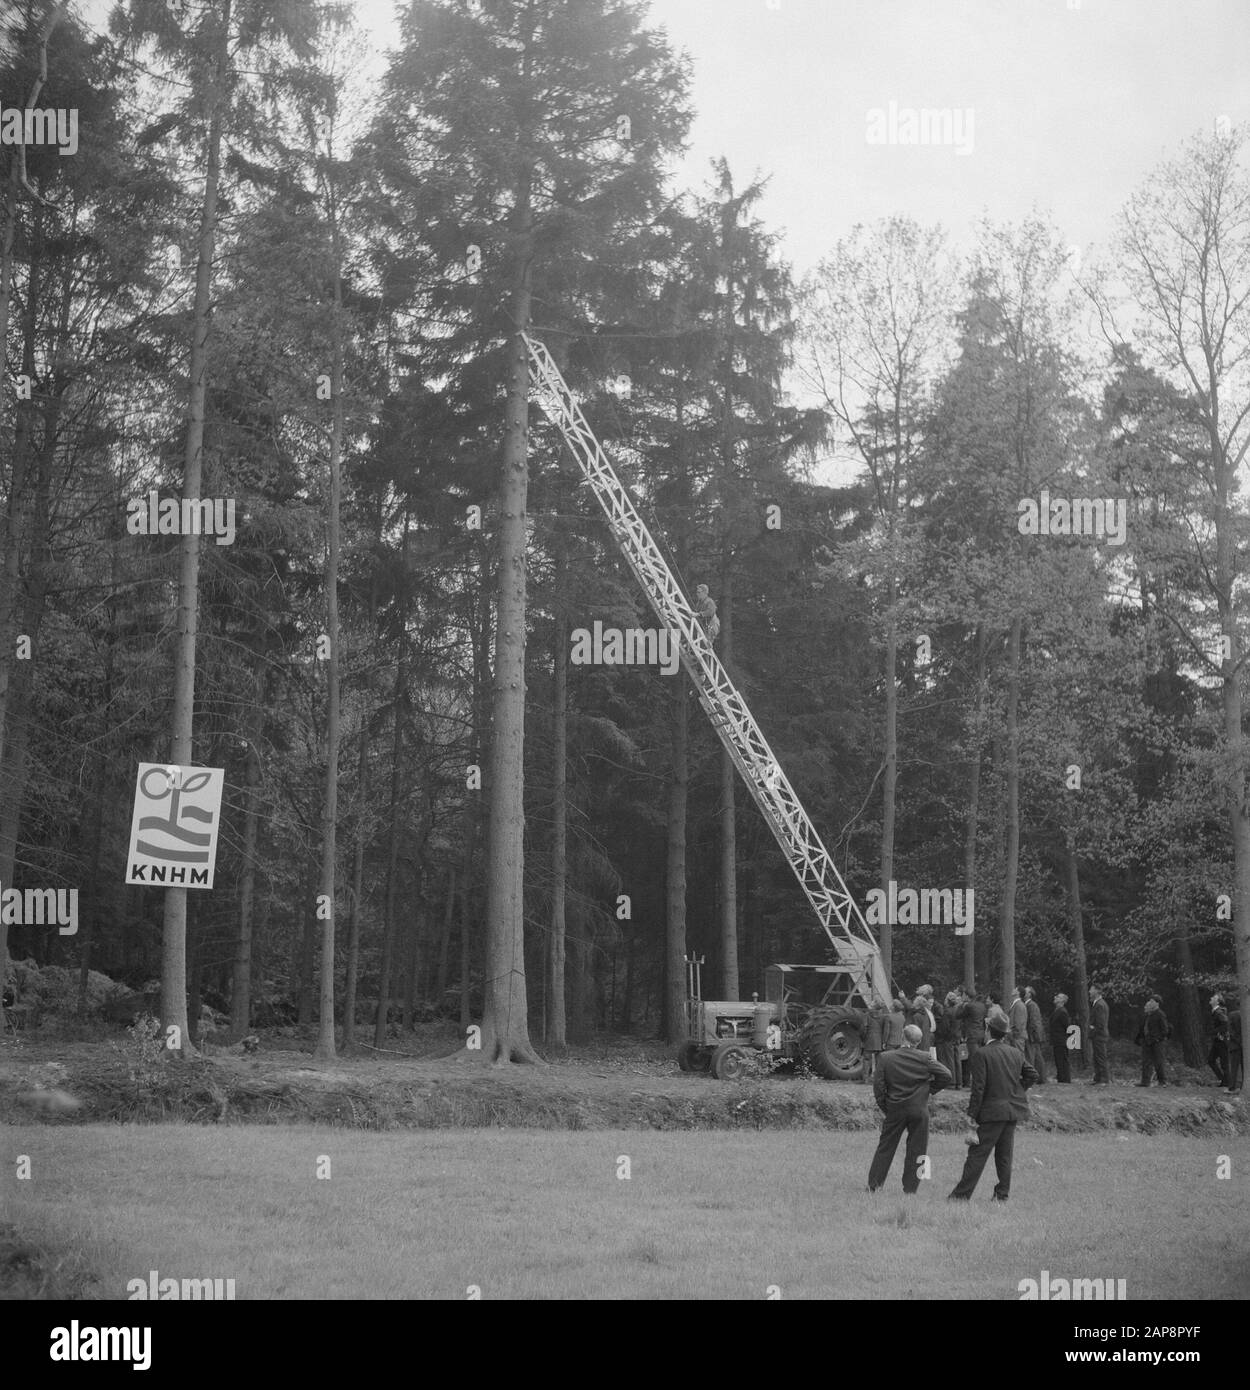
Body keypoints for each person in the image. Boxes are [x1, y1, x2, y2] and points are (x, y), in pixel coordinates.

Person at [948, 1014, 1038, 1202]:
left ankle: (960, 1196)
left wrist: (971, 1115)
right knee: (1004, 1156)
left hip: (991, 1112)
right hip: (1011, 1110)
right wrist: (1018, 1089)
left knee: (977, 1154)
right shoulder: (1014, 1052)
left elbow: (978, 1088)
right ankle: (1001, 1195)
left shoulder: (982, 1054)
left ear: (988, 1030)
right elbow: (1032, 1074)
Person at [868, 1023, 952, 1194]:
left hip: (895, 1107)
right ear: (919, 1041)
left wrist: (886, 1105)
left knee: (885, 1147)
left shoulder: (886, 1057)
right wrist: (929, 1090)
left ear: (902, 1038)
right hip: (918, 1108)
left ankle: (874, 1185)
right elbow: (946, 1075)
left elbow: (878, 1086)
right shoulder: (925, 1057)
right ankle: (911, 1188)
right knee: (919, 1149)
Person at [1134, 996, 1169, 1086]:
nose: (1150, 1002)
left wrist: (1158, 1039)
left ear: (1157, 1003)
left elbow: (1165, 1030)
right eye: (1149, 1000)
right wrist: (1139, 1038)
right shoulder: (1147, 1015)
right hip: (1147, 1041)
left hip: (1157, 1042)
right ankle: (1145, 1082)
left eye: (1152, 1001)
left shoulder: (1160, 1014)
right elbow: (1143, 1028)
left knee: (1159, 1062)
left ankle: (1162, 1081)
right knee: (1146, 1061)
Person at [936, 991, 962, 1088]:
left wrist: (941, 1035)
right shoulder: (958, 1010)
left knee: (949, 1059)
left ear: (948, 1000)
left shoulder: (947, 1011)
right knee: (957, 1059)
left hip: (948, 1038)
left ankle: (951, 1082)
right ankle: (959, 1082)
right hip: (957, 1036)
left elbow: (945, 1027)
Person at [957, 988, 987, 1074]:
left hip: (972, 1035)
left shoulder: (969, 1006)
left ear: (966, 996)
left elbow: (958, 1015)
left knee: (974, 1059)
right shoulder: (982, 1005)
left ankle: (976, 1082)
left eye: (963, 995)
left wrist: (961, 1005)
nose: (962, 997)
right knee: (979, 1058)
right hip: (981, 1034)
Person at [1024, 985, 1047, 1084]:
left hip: (1032, 1035)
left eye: (1025, 991)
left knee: (1031, 1056)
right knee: (1037, 1056)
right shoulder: (1029, 1005)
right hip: (1034, 1034)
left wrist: (1032, 1035)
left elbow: (1033, 1021)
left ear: (1029, 994)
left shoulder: (1031, 1005)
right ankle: (1041, 1078)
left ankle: (1033, 1077)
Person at [1089, 984, 1111, 1084]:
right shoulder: (1097, 1004)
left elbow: (1100, 1023)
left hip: (1099, 1035)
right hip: (1098, 1035)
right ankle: (1098, 1078)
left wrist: (1093, 1029)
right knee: (1097, 1056)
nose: (1089, 991)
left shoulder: (1100, 1005)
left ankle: (1104, 1079)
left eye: (1091, 989)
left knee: (1101, 1057)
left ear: (1097, 991)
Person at [862, 1001, 888, 1083]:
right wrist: (884, 1041)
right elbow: (886, 1030)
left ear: (874, 1007)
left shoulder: (867, 1015)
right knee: (878, 1060)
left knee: (866, 1059)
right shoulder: (884, 1016)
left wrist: (863, 1037)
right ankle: (877, 1079)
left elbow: (864, 1028)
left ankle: (866, 1078)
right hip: (879, 1040)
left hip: (869, 1038)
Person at [1050, 993, 1072, 1084]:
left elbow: (1068, 1027)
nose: (1055, 997)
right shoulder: (1057, 1011)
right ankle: (1061, 1077)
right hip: (1057, 1040)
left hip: (1061, 1040)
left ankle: (1065, 1079)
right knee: (1058, 1059)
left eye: (1058, 997)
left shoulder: (1062, 1012)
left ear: (1062, 1001)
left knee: (1062, 1059)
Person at [1208, 993, 1230, 1087]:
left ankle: (1227, 1082)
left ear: (1217, 1001)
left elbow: (1225, 1023)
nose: (1211, 998)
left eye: (1213, 998)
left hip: (1221, 1041)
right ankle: (1223, 1080)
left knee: (1224, 1062)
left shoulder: (1218, 1012)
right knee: (1211, 1060)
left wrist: (1217, 1032)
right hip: (1218, 1040)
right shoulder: (1215, 1011)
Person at [1227, 999, 1243, 1094]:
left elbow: (1230, 1030)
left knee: (1234, 1067)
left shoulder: (1232, 1015)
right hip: (1245, 1046)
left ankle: (1232, 1087)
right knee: (1245, 1067)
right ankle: (1243, 1086)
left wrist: (1238, 1041)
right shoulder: (1246, 1015)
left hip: (1235, 1045)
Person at [1008, 986, 1029, 1053]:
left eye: (1015, 989)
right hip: (1016, 1037)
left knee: (1019, 1058)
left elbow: (1019, 1023)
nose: (1013, 989)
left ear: (1018, 992)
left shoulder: (1019, 1005)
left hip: (1017, 1038)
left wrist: (1014, 1036)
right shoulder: (1016, 1004)